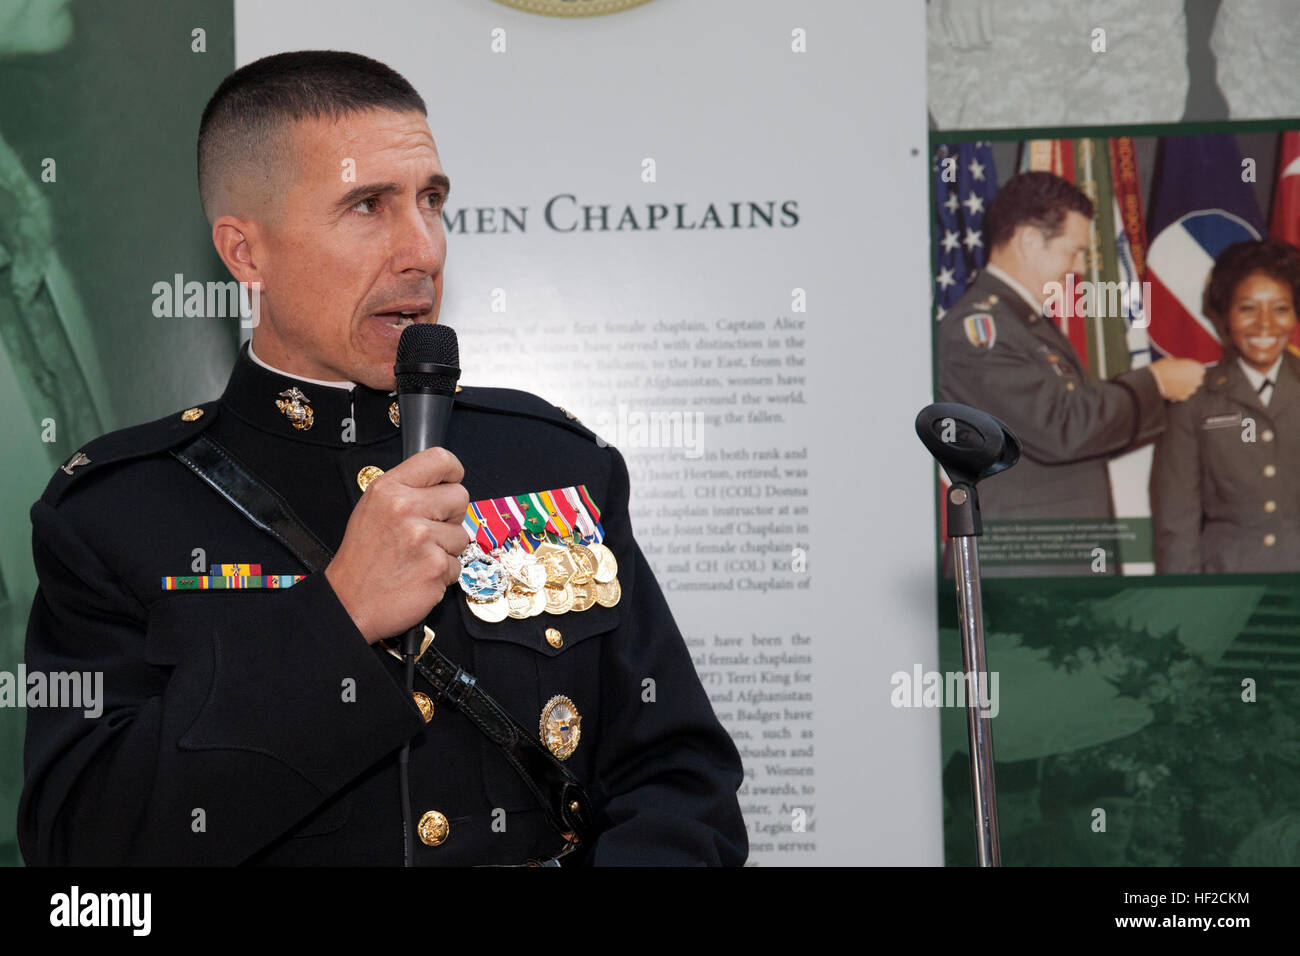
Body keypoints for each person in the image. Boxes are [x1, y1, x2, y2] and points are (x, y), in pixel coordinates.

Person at [17, 50, 747, 866]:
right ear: (245, 253)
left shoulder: (551, 462)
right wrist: (338, 618)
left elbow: (682, 783)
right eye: (368, 205)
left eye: (431, 201)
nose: (422, 249)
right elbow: (83, 846)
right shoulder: (120, 514)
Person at [937, 172, 1205, 573]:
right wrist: (1156, 383)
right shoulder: (979, 331)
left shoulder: (1025, 323)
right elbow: (1061, 427)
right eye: (1073, 251)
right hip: (1023, 567)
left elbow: (1076, 421)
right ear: (1029, 240)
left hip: (1051, 561)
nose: (1079, 267)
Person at [1152, 239, 1300, 574]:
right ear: (1225, 316)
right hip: (1227, 584)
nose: (1265, 324)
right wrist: (1185, 605)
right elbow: (1177, 522)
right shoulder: (1193, 400)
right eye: (1247, 308)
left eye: (1280, 308)